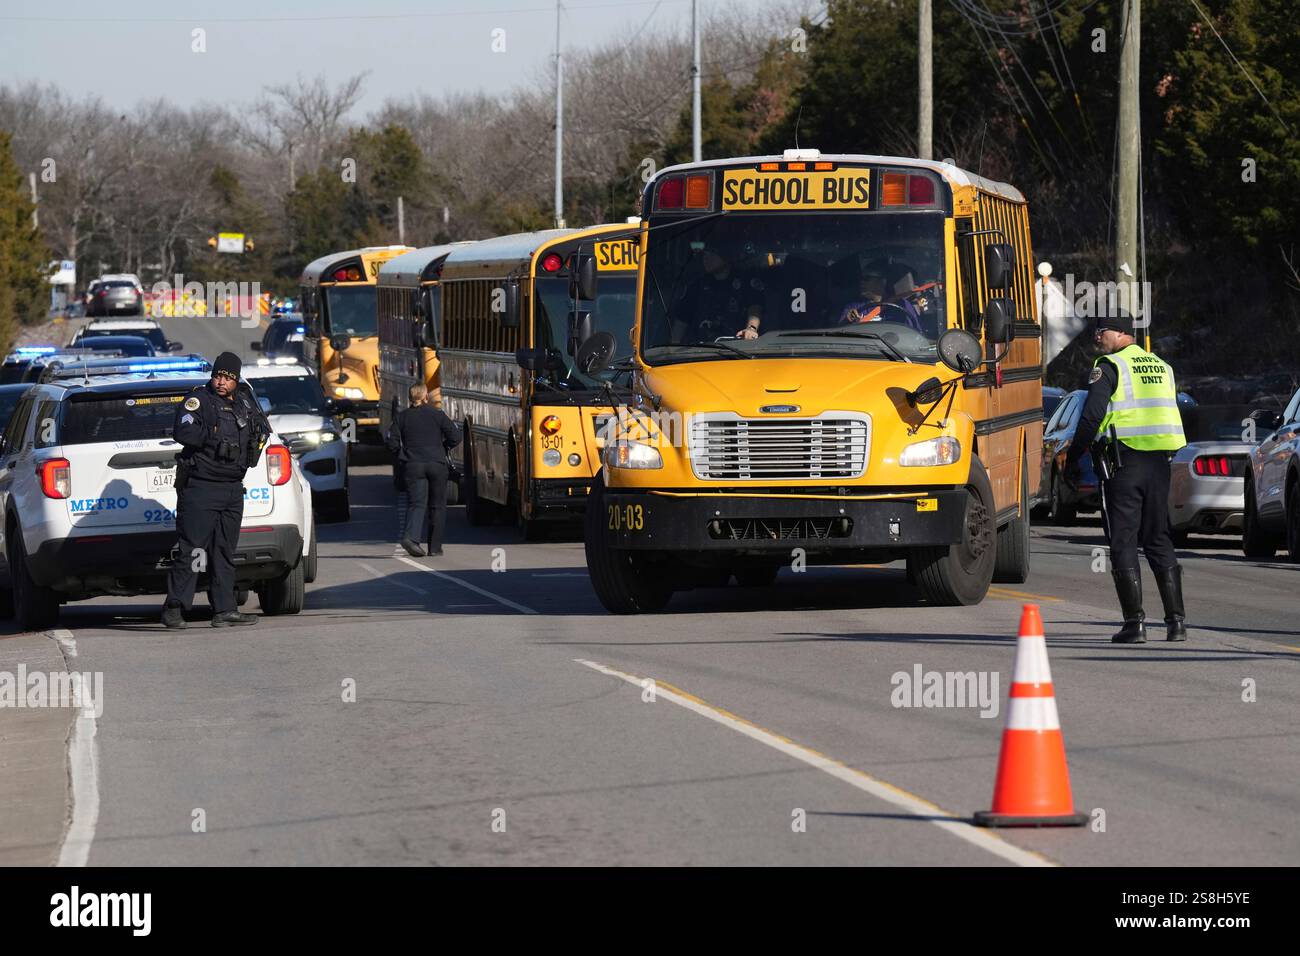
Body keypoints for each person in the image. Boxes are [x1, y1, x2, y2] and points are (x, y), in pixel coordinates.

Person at [1064, 309, 1188, 644]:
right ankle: (1177, 624)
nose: (1095, 338)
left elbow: (1091, 417)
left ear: (1118, 333)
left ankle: (1135, 624)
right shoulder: (1162, 367)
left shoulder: (1109, 368)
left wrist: (1074, 458)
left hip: (1124, 465)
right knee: (1158, 537)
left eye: (1100, 331)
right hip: (1160, 464)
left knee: (1123, 540)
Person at [161, 351, 271, 628]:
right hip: (201, 486)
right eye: (218, 376)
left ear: (236, 379)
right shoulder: (199, 400)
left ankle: (224, 609)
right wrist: (212, 435)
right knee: (191, 550)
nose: (221, 382)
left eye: (228, 377)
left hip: (233, 487)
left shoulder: (244, 401)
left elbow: (260, 431)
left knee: (224, 550)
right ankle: (174, 609)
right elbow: (183, 433)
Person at [388, 383, 462, 557]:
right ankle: (435, 548)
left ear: (409, 398)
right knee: (437, 506)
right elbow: (456, 437)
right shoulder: (437, 415)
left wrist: (402, 455)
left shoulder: (401, 417)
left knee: (416, 504)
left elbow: (392, 442)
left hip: (413, 465)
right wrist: (443, 448)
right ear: (426, 397)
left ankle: (411, 538)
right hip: (437, 464)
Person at [673, 245, 763, 341]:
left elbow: (755, 308)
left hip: (740, 348)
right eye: (704, 254)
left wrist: (751, 329)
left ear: (726, 256)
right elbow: (682, 320)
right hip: (701, 349)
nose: (706, 258)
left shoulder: (745, 281)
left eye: (712, 253)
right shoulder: (696, 286)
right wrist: (672, 348)